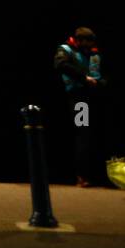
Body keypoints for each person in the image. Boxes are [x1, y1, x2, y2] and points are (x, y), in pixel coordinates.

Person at [54, 26, 108, 187]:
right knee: (83, 134)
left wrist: (101, 82)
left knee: (96, 135)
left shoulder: (94, 52)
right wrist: (84, 78)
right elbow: (61, 65)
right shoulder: (65, 50)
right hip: (79, 99)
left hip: (96, 98)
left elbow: (103, 73)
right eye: (86, 44)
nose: (89, 48)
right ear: (79, 41)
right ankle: (81, 176)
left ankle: (98, 176)